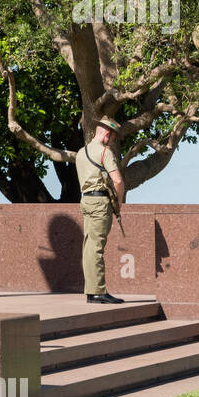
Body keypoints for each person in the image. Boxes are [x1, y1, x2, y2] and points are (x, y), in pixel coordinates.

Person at [75, 117, 126, 305]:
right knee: (96, 248)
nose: (112, 141)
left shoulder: (81, 152)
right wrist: (119, 203)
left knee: (89, 246)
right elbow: (118, 181)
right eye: (113, 137)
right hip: (99, 202)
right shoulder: (105, 152)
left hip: (86, 200)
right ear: (107, 134)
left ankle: (91, 291)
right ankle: (98, 292)